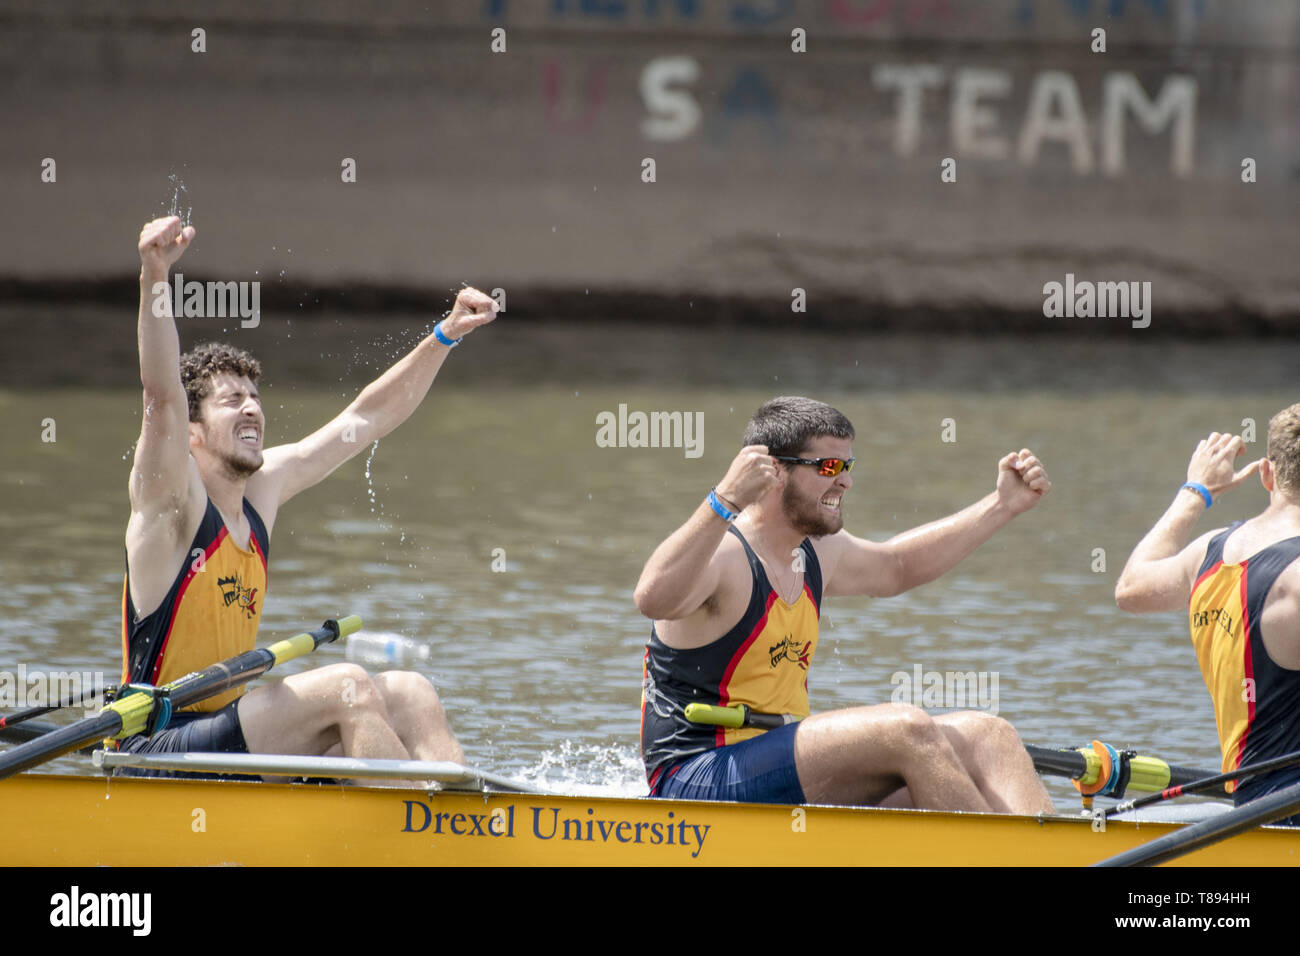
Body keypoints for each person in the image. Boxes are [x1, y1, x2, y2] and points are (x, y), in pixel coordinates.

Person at [120, 215, 497, 771]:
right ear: (192, 435)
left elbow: (365, 418)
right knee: (347, 684)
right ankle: (414, 833)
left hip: (230, 725)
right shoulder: (170, 502)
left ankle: (467, 827)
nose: (251, 407)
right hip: (158, 741)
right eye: (231, 401)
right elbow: (161, 394)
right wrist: (155, 274)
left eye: (254, 396)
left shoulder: (263, 488)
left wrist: (443, 336)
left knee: (410, 690)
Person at [635, 396, 1055, 813]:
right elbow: (651, 597)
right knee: (905, 729)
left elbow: (898, 566)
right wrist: (724, 499)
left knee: (990, 736)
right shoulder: (725, 557)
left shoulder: (817, 552)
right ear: (773, 471)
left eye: (847, 467)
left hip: (777, 766)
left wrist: (1003, 505)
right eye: (829, 467)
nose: (845, 482)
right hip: (695, 775)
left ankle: (1052, 856)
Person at [1115, 416, 1300, 818]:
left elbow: (1130, 589)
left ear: (1267, 474)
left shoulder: (1209, 553)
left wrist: (1196, 491)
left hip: (1251, 804)